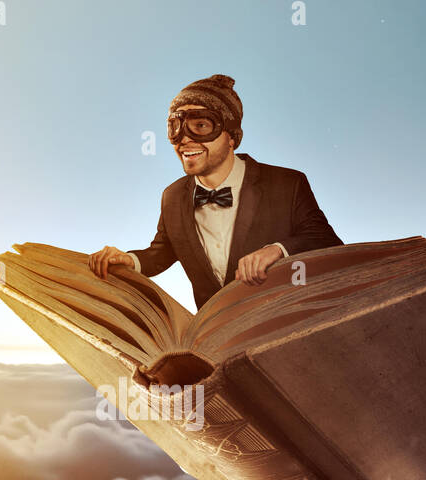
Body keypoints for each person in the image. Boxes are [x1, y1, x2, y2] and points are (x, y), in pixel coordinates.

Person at [88, 74, 342, 310]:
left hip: (280, 325)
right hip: (216, 334)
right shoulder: (172, 196)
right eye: (175, 127)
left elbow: (326, 241)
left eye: (200, 125)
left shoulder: (287, 183)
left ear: (231, 136)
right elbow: (163, 251)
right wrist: (130, 260)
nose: (184, 140)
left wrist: (277, 250)